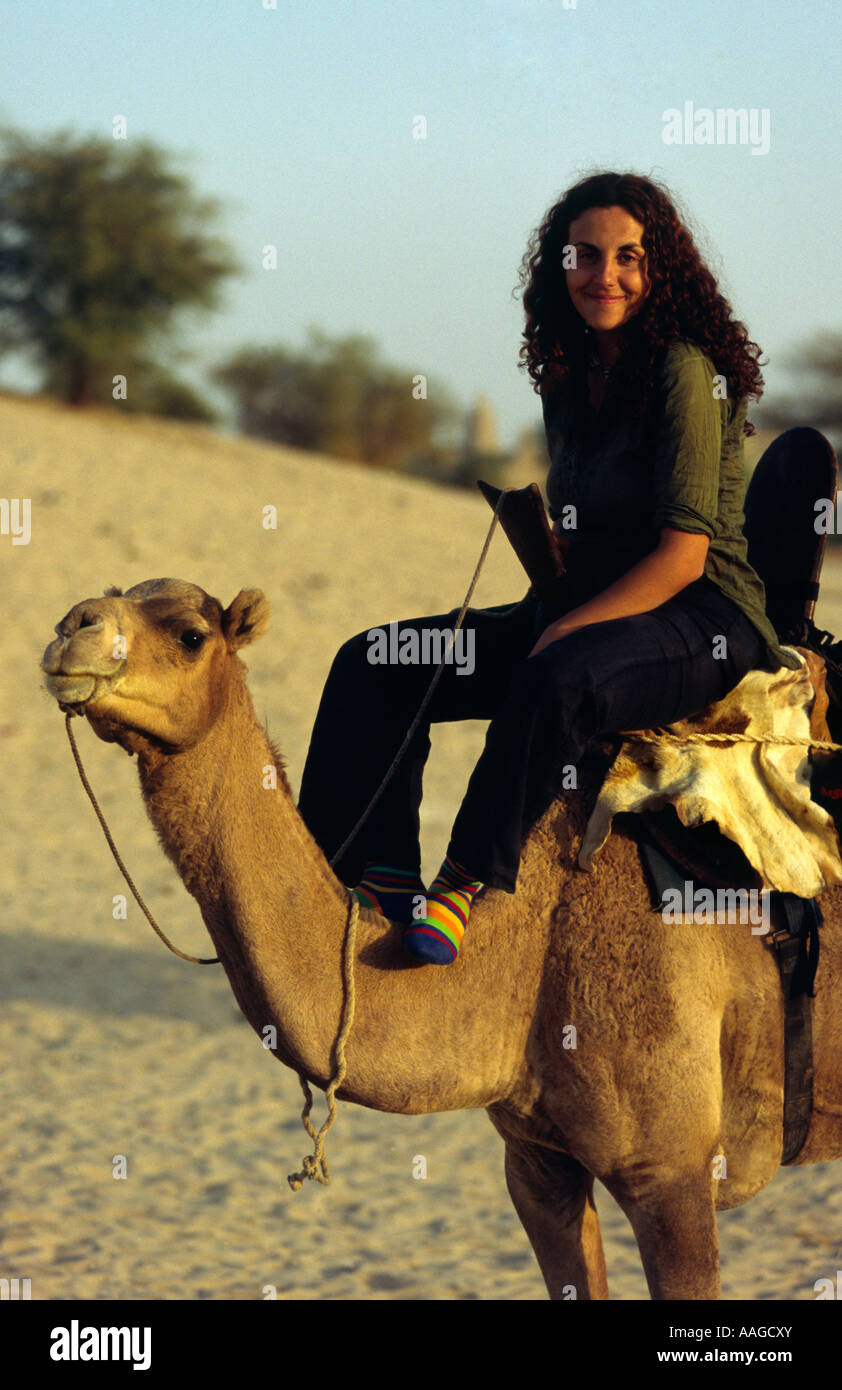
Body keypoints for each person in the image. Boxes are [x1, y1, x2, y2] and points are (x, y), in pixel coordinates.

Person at [298, 170, 800, 966]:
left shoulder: (681, 369)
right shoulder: (567, 372)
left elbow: (682, 554)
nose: (606, 275)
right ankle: (379, 875)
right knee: (376, 661)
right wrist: (551, 557)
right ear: (559, 267)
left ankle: (464, 882)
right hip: (589, 603)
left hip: (702, 618)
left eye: (629, 257)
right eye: (586, 256)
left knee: (557, 673)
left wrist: (566, 625)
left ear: (659, 268)